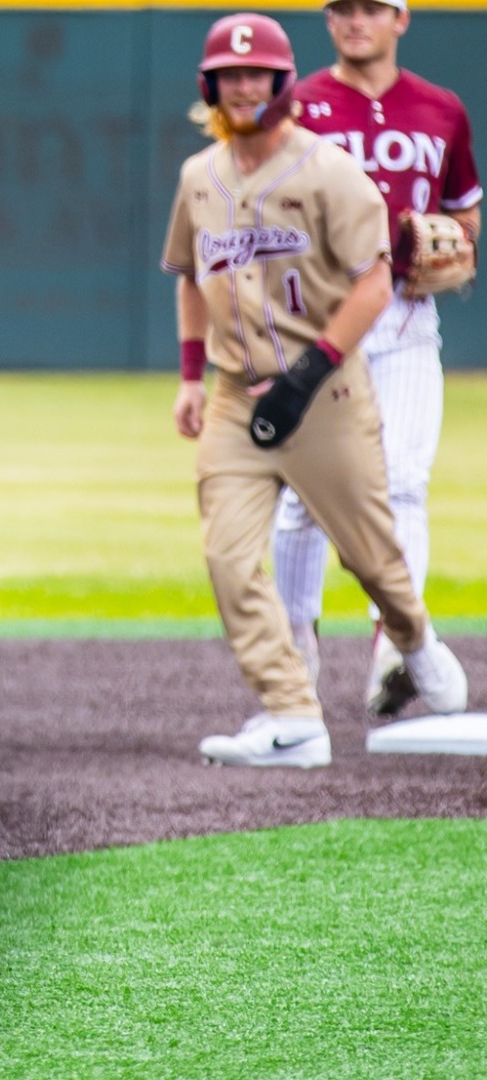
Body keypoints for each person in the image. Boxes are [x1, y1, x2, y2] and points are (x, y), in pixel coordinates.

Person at [161, 13, 468, 768]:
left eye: (255, 74)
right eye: (229, 75)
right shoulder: (200, 177)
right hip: (239, 393)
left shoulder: (330, 166)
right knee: (232, 556)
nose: (241, 86)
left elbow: (380, 276)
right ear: (210, 84)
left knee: (375, 552)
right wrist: (193, 377)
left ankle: (411, 635)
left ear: (279, 83)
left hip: (328, 384)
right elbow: (190, 277)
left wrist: (315, 365)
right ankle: (292, 709)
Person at [270, 0, 480, 716]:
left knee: (405, 486)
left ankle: (397, 644)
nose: (356, 20)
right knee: (302, 501)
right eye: (342, 8)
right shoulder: (296, 106)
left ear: (402, 19)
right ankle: (294, 655)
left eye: (372, 8)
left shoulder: (440, 109)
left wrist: (454, 239)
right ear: (329, 20)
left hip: (404, 321)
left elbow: (465, 214)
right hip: (316, 317)